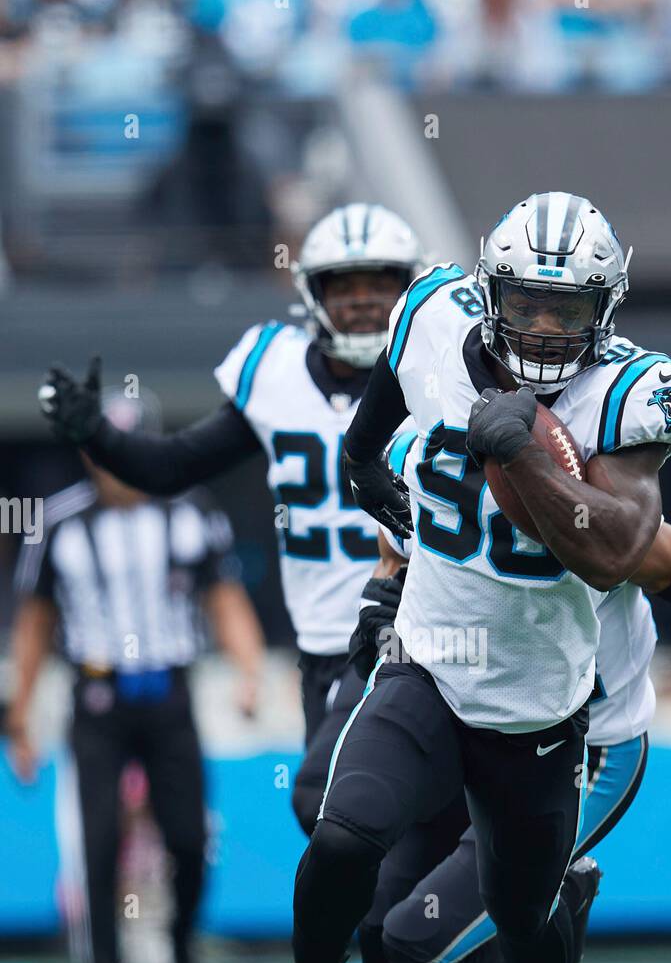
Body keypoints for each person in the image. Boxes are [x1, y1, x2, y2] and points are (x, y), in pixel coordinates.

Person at [204, 191, 671, 963]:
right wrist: (358, 464)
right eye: (527, 304)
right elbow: (392, 391)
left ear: (603, 310)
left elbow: (614, 549)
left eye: (568, 310)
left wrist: (520, 448)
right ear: (487, 293)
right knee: (344, 829)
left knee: (524, 920)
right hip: (428, 658)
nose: (545, 328)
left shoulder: (628, 396)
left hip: (536, 707)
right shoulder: (428, 313)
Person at [37, 203, 423, 747]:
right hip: (321, 645)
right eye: (345, 288)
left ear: (409, 291)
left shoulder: (435, 376)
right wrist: (97, 434)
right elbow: (171, 468)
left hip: (416, 633)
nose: (362, 303)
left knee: (334, 801)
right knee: (329, 812)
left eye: (379, 287)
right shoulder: (275, 371)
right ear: (313, 294)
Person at [7, 433, 264, 963]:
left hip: (170, 693)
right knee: (96, 845)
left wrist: (249, 670)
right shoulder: (59, 522)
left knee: (188, 838)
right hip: (96, 698)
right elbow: (34, 622)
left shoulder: (191, 512)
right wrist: (20, 715)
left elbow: (224, 596)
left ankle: (181, 960)